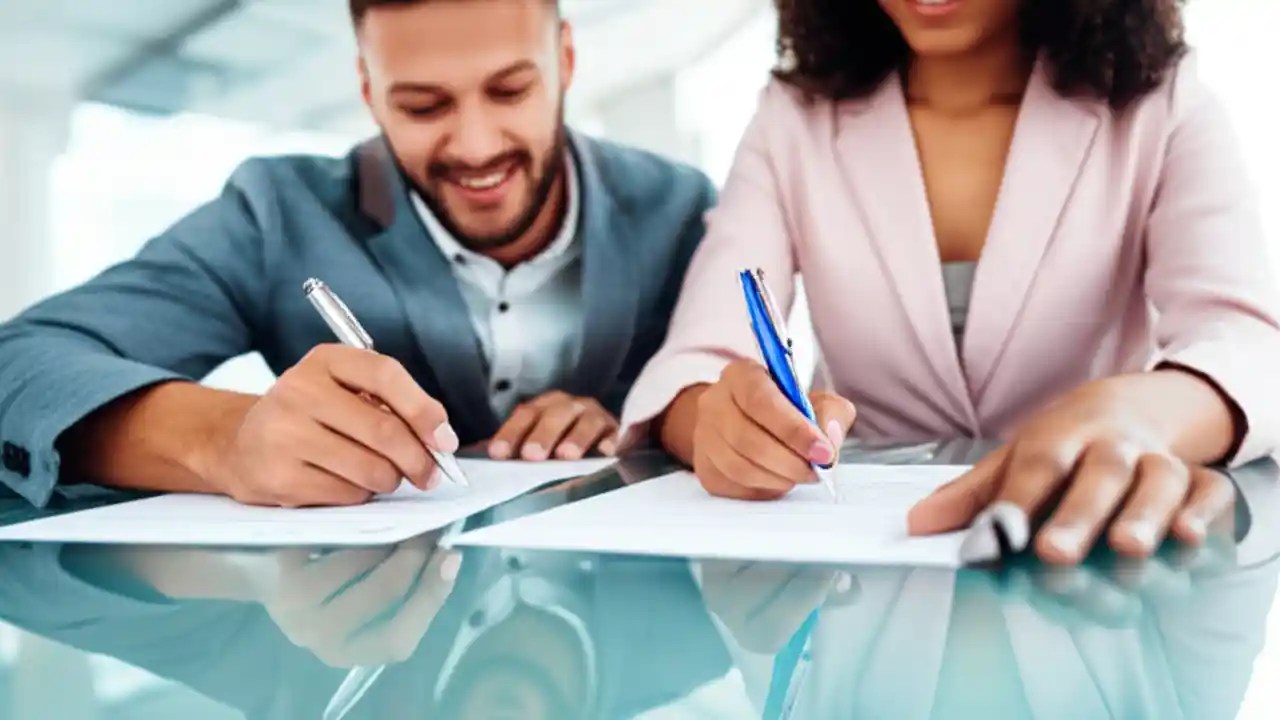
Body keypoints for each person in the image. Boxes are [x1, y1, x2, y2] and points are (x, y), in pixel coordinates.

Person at [620, 0, 1280, 564]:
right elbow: (699, 356)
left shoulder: (1159, 103)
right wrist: (717, 419)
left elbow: (1250, 345)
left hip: (1088, 550)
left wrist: (1136, 415)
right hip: (866, 557)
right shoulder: (791, 118)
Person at [0, 0, 715, 508]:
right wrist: (227, 439)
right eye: (423, 107)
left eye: (510, 89)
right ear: (370, 92)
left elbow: (738, 407)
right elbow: (19, 365)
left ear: (564, 58)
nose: (474, 145)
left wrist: (641, 421)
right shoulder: (278, 215)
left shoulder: (679, 210)